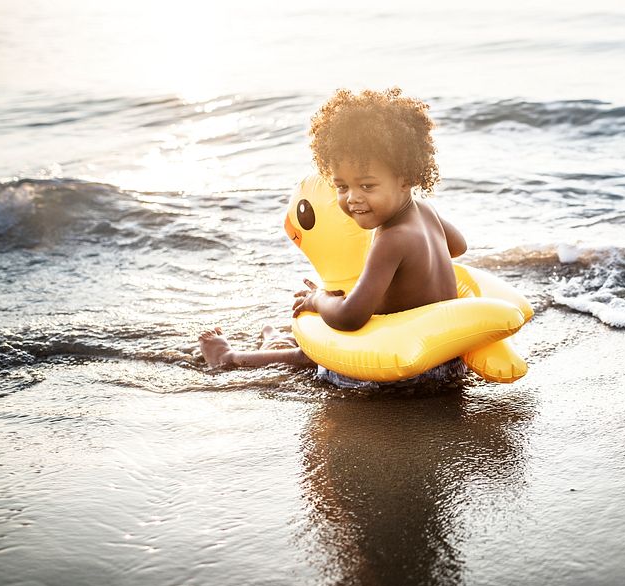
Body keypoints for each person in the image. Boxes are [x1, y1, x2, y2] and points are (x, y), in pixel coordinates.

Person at [198, 88, 467, 386]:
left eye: (367, 186)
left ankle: (230, 359)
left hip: (403, 376)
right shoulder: (425, 212)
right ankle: (276, 339)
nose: (352, 199)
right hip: (448, 365)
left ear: (406, 179)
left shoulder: (393, 239)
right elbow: (458, 246)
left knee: (313, 356)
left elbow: (350, 317)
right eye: (341, 187)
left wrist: (319, 299)